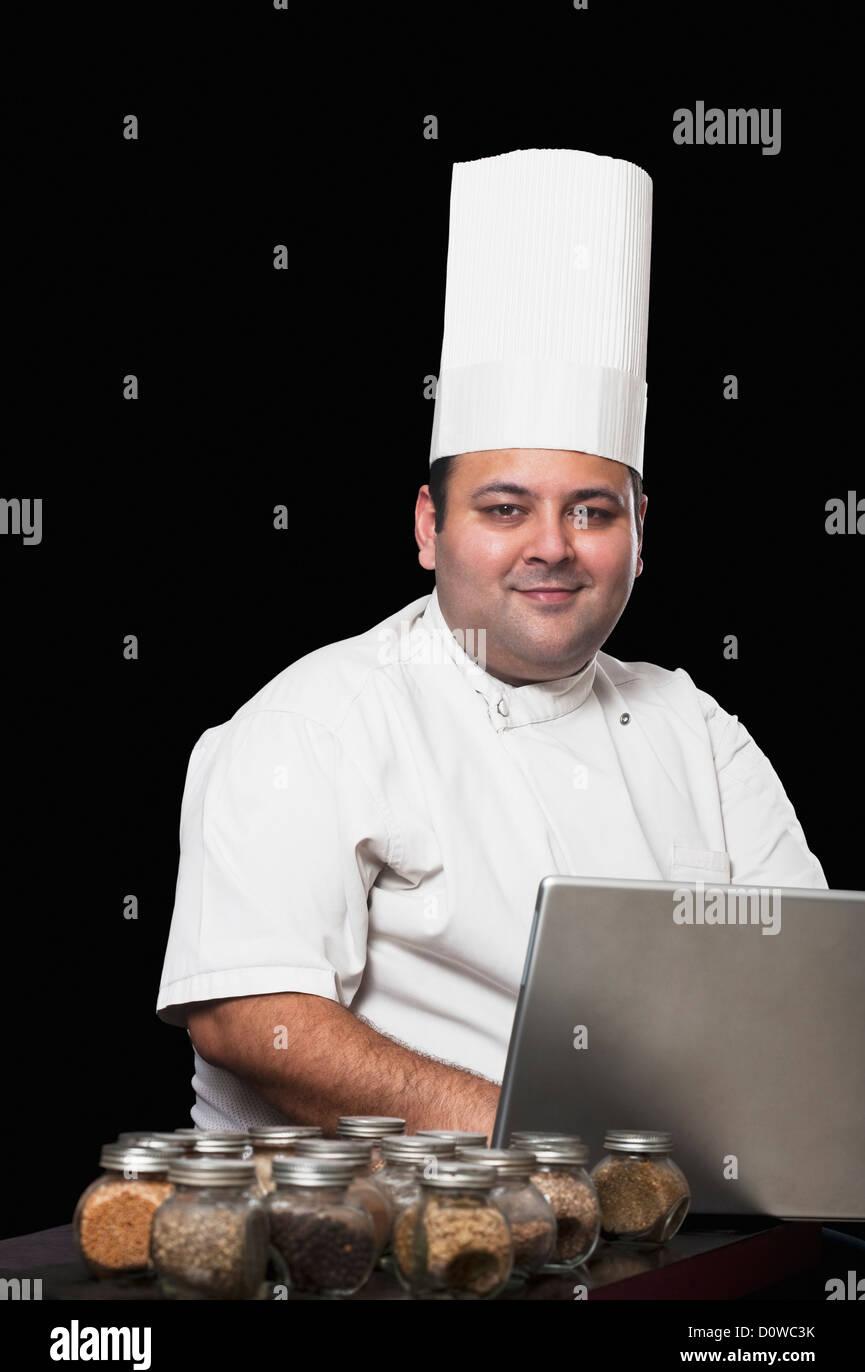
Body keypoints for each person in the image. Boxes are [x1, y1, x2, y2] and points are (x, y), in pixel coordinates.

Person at [155, 150, 826, 1135]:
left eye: (592, 511)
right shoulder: (318, 720)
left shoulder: (700, 735)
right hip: (371, 1255)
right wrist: (539, 1142)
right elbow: (246, 1016)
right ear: (428, 525)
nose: (551, 547)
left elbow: (802, 991)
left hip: (666, 1234)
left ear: (641, 533)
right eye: (504, 508)